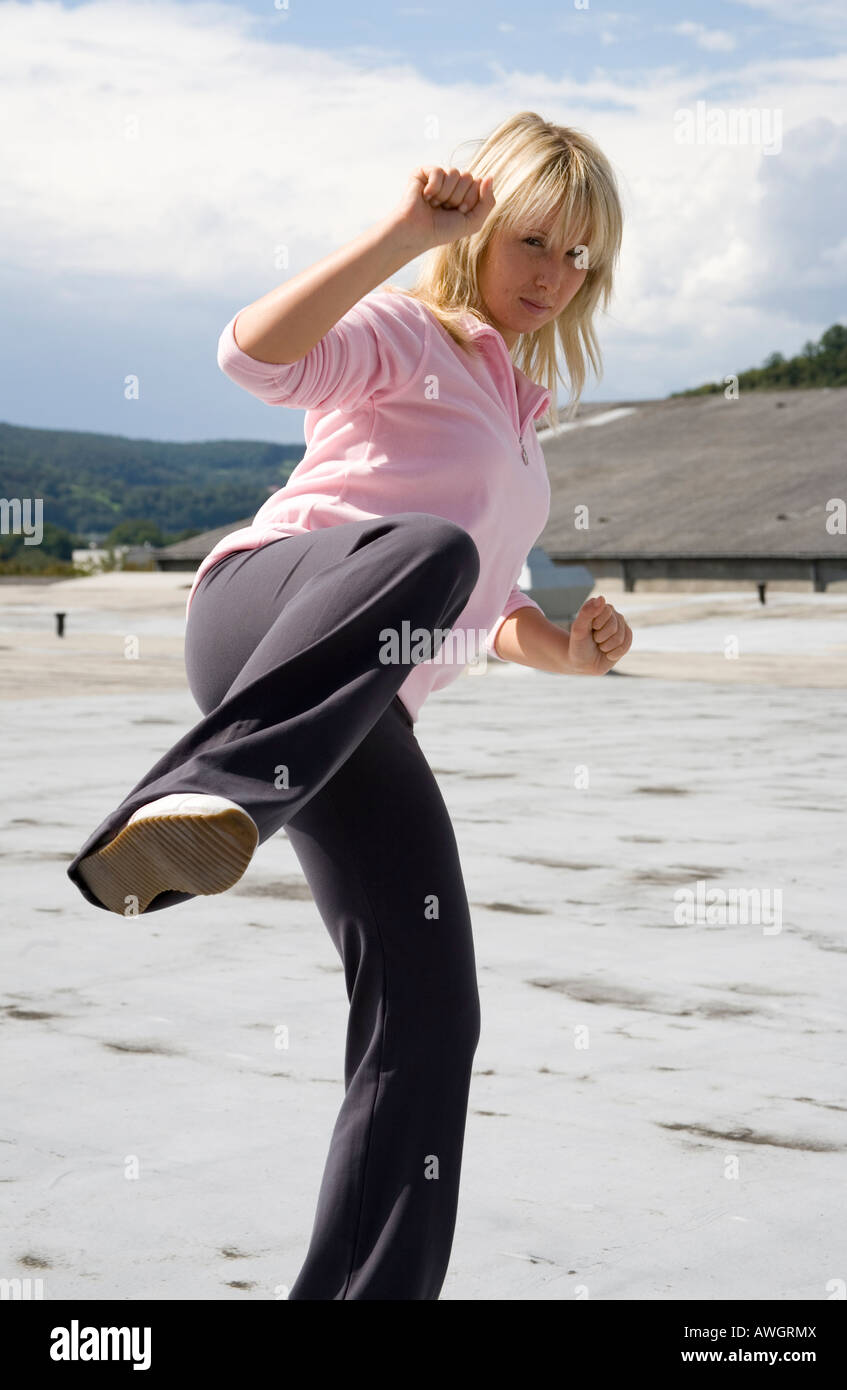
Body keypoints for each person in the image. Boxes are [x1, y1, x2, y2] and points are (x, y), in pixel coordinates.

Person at [66, 110, 632, 1299]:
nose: (553, 275)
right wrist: (396, 233)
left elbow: (481, 610)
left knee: (432, 1017)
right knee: (421, 546)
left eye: (578, 256)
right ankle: (192, 798)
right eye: (534, 240)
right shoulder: (405, 332)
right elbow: (251, 355)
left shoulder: (520, 418)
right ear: (477, 228)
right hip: (264, 615)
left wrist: (566, 653)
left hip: (353, 710)